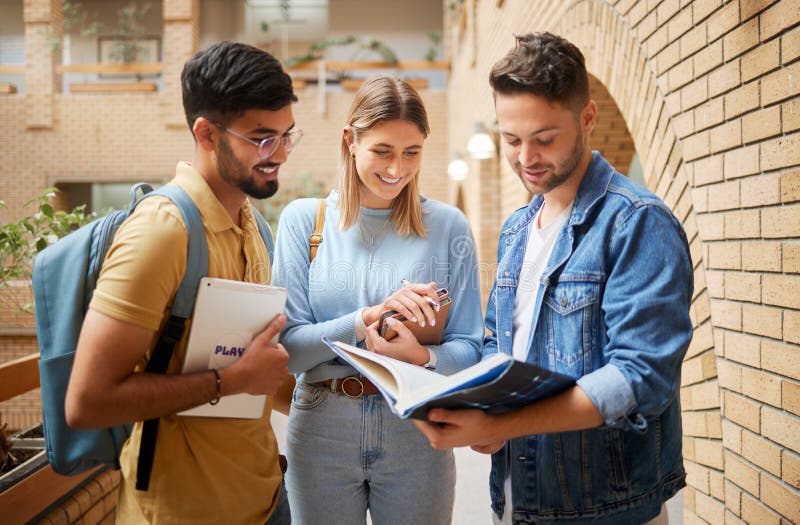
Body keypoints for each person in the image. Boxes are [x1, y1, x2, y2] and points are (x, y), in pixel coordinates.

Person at [414, 32, 693, 525]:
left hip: (605, 512)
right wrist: (478, 406)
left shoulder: (636, 222)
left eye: (544, 139)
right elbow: (499, 342)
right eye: (511, 140)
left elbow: (640, 378)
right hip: (515, 502)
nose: (526, 158)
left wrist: (504, 422)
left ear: (587, 118)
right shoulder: (516, 229)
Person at [64, 41, 300, 524]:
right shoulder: (162, 232)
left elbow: (259, 375)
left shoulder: (255, 226)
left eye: (286, 135)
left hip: (267, 500)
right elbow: (87, 403)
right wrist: (230, 381)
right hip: (181, 512)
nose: (278, 154)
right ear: (207, 134)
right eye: (261, 138)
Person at [272, 75, 483, 525]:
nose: (397, 168)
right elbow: (288, 351)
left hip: (416, 426)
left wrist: (422, 357)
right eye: (383, 151)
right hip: (322, 426)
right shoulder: (303, 222)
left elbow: (470, 348)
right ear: (350, 140)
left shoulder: (449, 227)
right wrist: (367, 318)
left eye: (412, 152)